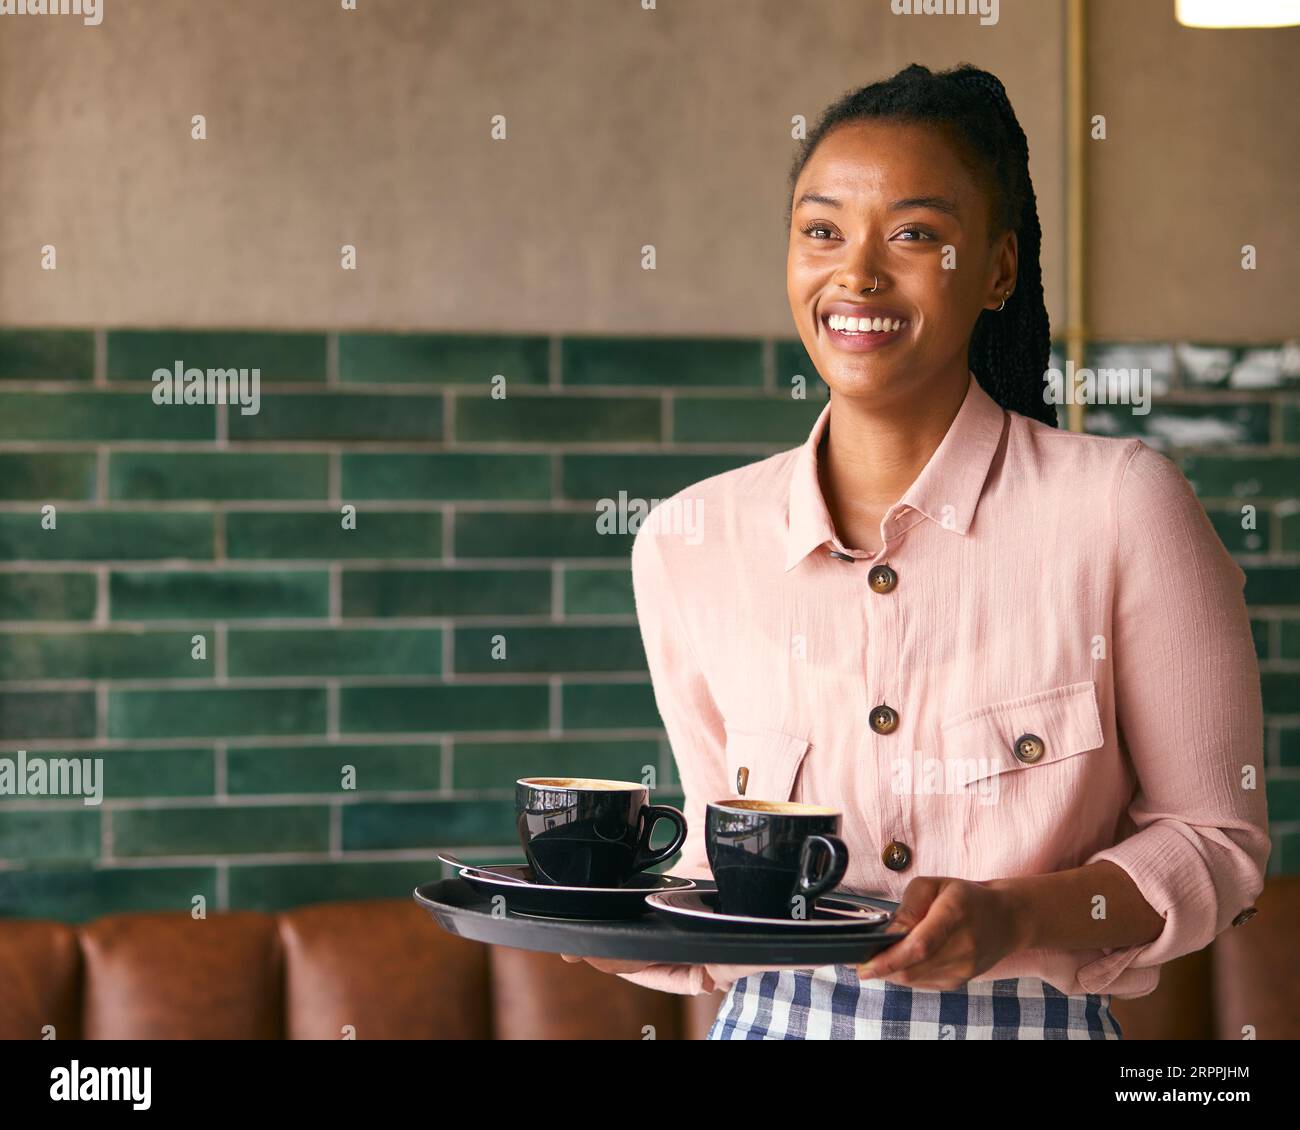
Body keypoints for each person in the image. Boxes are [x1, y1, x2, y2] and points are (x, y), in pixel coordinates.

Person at [563, 62, 1269, 1040]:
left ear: (996, 269)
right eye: (821, 230)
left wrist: (1019, 912)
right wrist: (622, 923)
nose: (854, 273)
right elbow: (720, 869)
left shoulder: (1118, 506)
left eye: (913, 234)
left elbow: (1217, 845)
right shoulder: (688, 540)